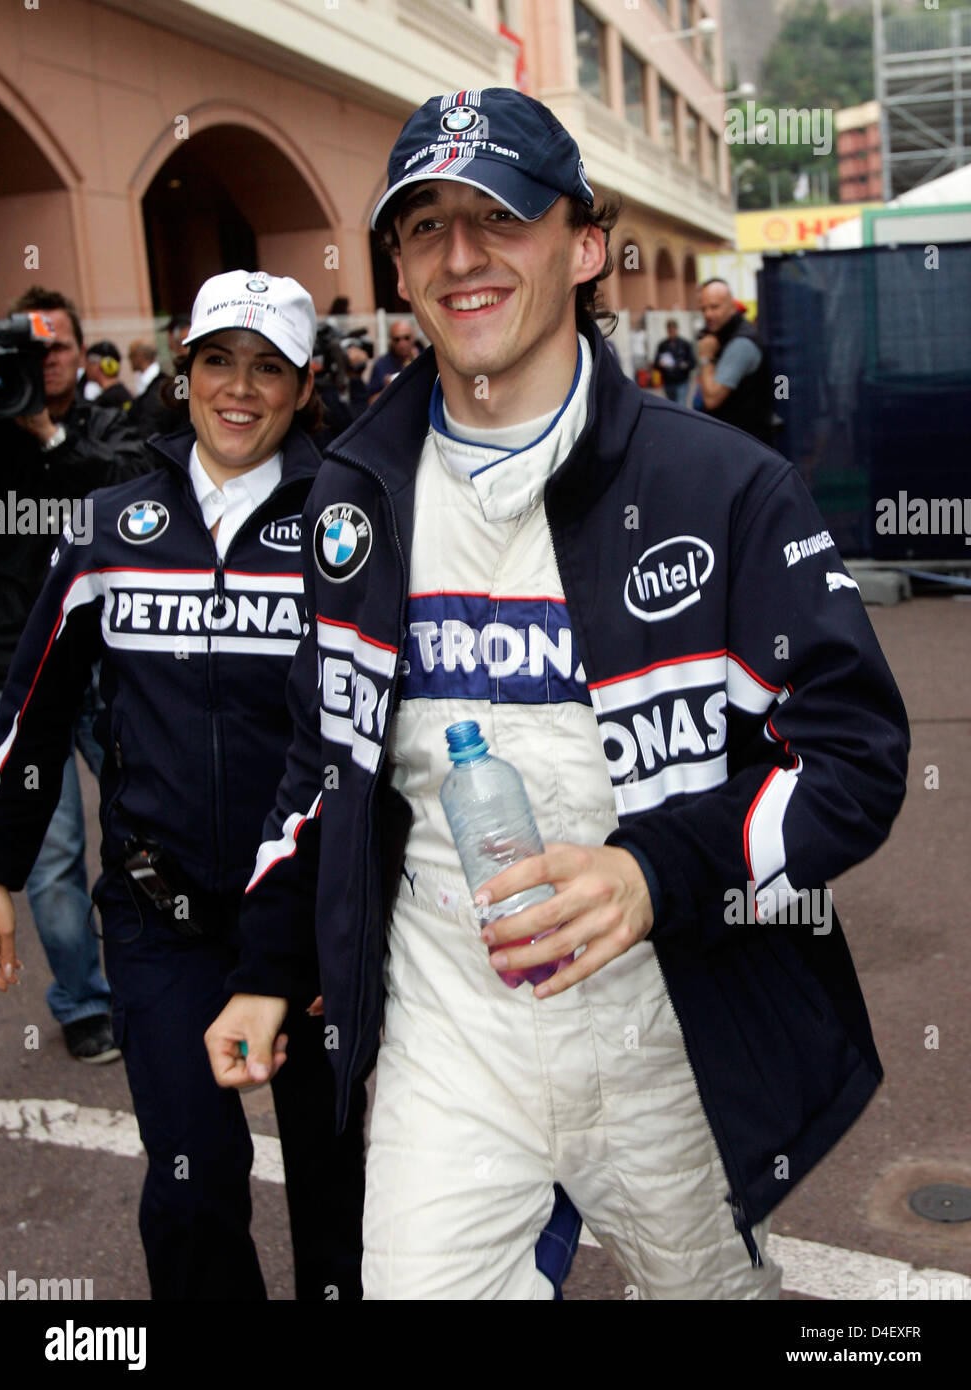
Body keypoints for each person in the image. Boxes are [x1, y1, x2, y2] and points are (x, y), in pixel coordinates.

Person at [207, 89, 909, 1301]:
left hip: (666, 1018)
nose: (461, 255)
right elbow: (322, 758)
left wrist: (652, 871)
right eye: (424, 225)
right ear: (398, 266)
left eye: (501, 216)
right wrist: (271, 958)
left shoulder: (722, 488)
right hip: (450, 1025)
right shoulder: (351, 497)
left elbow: (853, 758)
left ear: (584, 246)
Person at [0, 270, 366, 1299]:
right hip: (161, 916)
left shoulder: (352, 525)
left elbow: (375, 732)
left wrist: (355, 905)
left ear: (300, 387)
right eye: (217, 361)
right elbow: (36, 703)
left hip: (311, 929)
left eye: (266, 367)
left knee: (340, 1200)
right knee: (194, 1192)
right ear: (185, 371)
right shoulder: (109, 526)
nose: (238, 388)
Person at [0, 287, 149, 1062]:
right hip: (21, 675)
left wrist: (51, 438)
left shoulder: (106, 428)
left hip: (111, 668)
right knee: (52, 852)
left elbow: (119, 489)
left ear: (82, 354)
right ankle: (82, 1001)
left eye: (57, 347)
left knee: (149, 825)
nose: (45, 361)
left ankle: (164, 971)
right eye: (31, 350)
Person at [696, 278, 775, 444]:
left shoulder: (741, 343)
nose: (708, 314)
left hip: (746, 443)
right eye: (703, 309)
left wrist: (706, 358)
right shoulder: (723, 335)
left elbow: (711, 399)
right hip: (737, 441)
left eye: (714, 307)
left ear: (732, 306)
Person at [127, 339, 180, 439]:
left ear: (139, 356)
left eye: (131, 356)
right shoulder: (147, 382)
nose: (129, 360)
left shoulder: (160, 385)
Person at [367, 318, 422, 402]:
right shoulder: (381, 364)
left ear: (413, 338)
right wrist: (387, 389)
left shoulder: (424, 359)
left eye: (406, 338)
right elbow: (371, 402)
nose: (402, 343)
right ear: (391, 341)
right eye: (397, 339)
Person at [652, 317, 695, 405]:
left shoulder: (685, 344)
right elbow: (655, 363)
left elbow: (693, 362)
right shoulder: (662, 345)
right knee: (672, 406)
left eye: (673, 329)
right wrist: (660, 365)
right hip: (668, 381)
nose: (671, 332)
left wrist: (685, 365)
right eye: (669, 330)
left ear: (676, 329)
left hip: (681, 381)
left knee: (681, 405)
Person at [82, 341, 134, 410]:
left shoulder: (105, 403)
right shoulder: (124, 395)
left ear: (99, 365)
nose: (86, 368)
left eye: (88, 363)